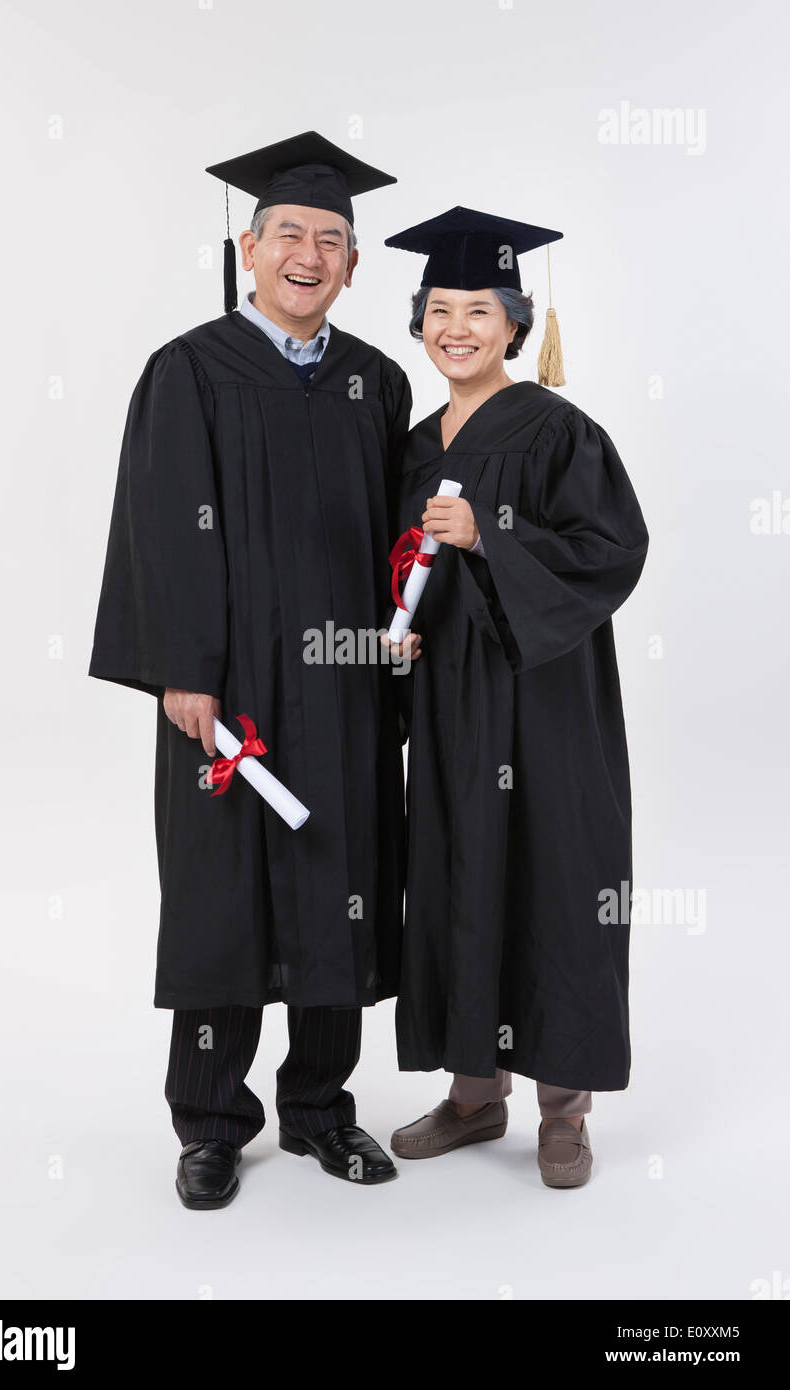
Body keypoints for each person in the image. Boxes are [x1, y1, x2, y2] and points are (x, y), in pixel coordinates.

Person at [89, 131, 418, 1208]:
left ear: (354, 265)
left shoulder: (377, 383)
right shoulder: (187, 368)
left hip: (340, 686)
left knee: (340, 884)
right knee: (221, 900)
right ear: (248, 245)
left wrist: (399, 648)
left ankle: (321, 1108)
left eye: (331, 238)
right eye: (288, 233)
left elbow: (397, 541)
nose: (308, 253)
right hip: (224, 695)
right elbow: (159, 530)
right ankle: (211, 1123)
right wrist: (181, 672)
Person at [383, 207, 649, 1187]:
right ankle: (471, 1094)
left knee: (550, 875)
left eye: (478, 311)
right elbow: (400, 566)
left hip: (544, 705)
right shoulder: (412, 445)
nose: (456, 327)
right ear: (417, 323)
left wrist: (486, 534)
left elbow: (610, 552)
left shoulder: (557, 431)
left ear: (514, 324)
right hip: (451, 707)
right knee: (456, 871)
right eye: (438, 310)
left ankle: (564, 1109)